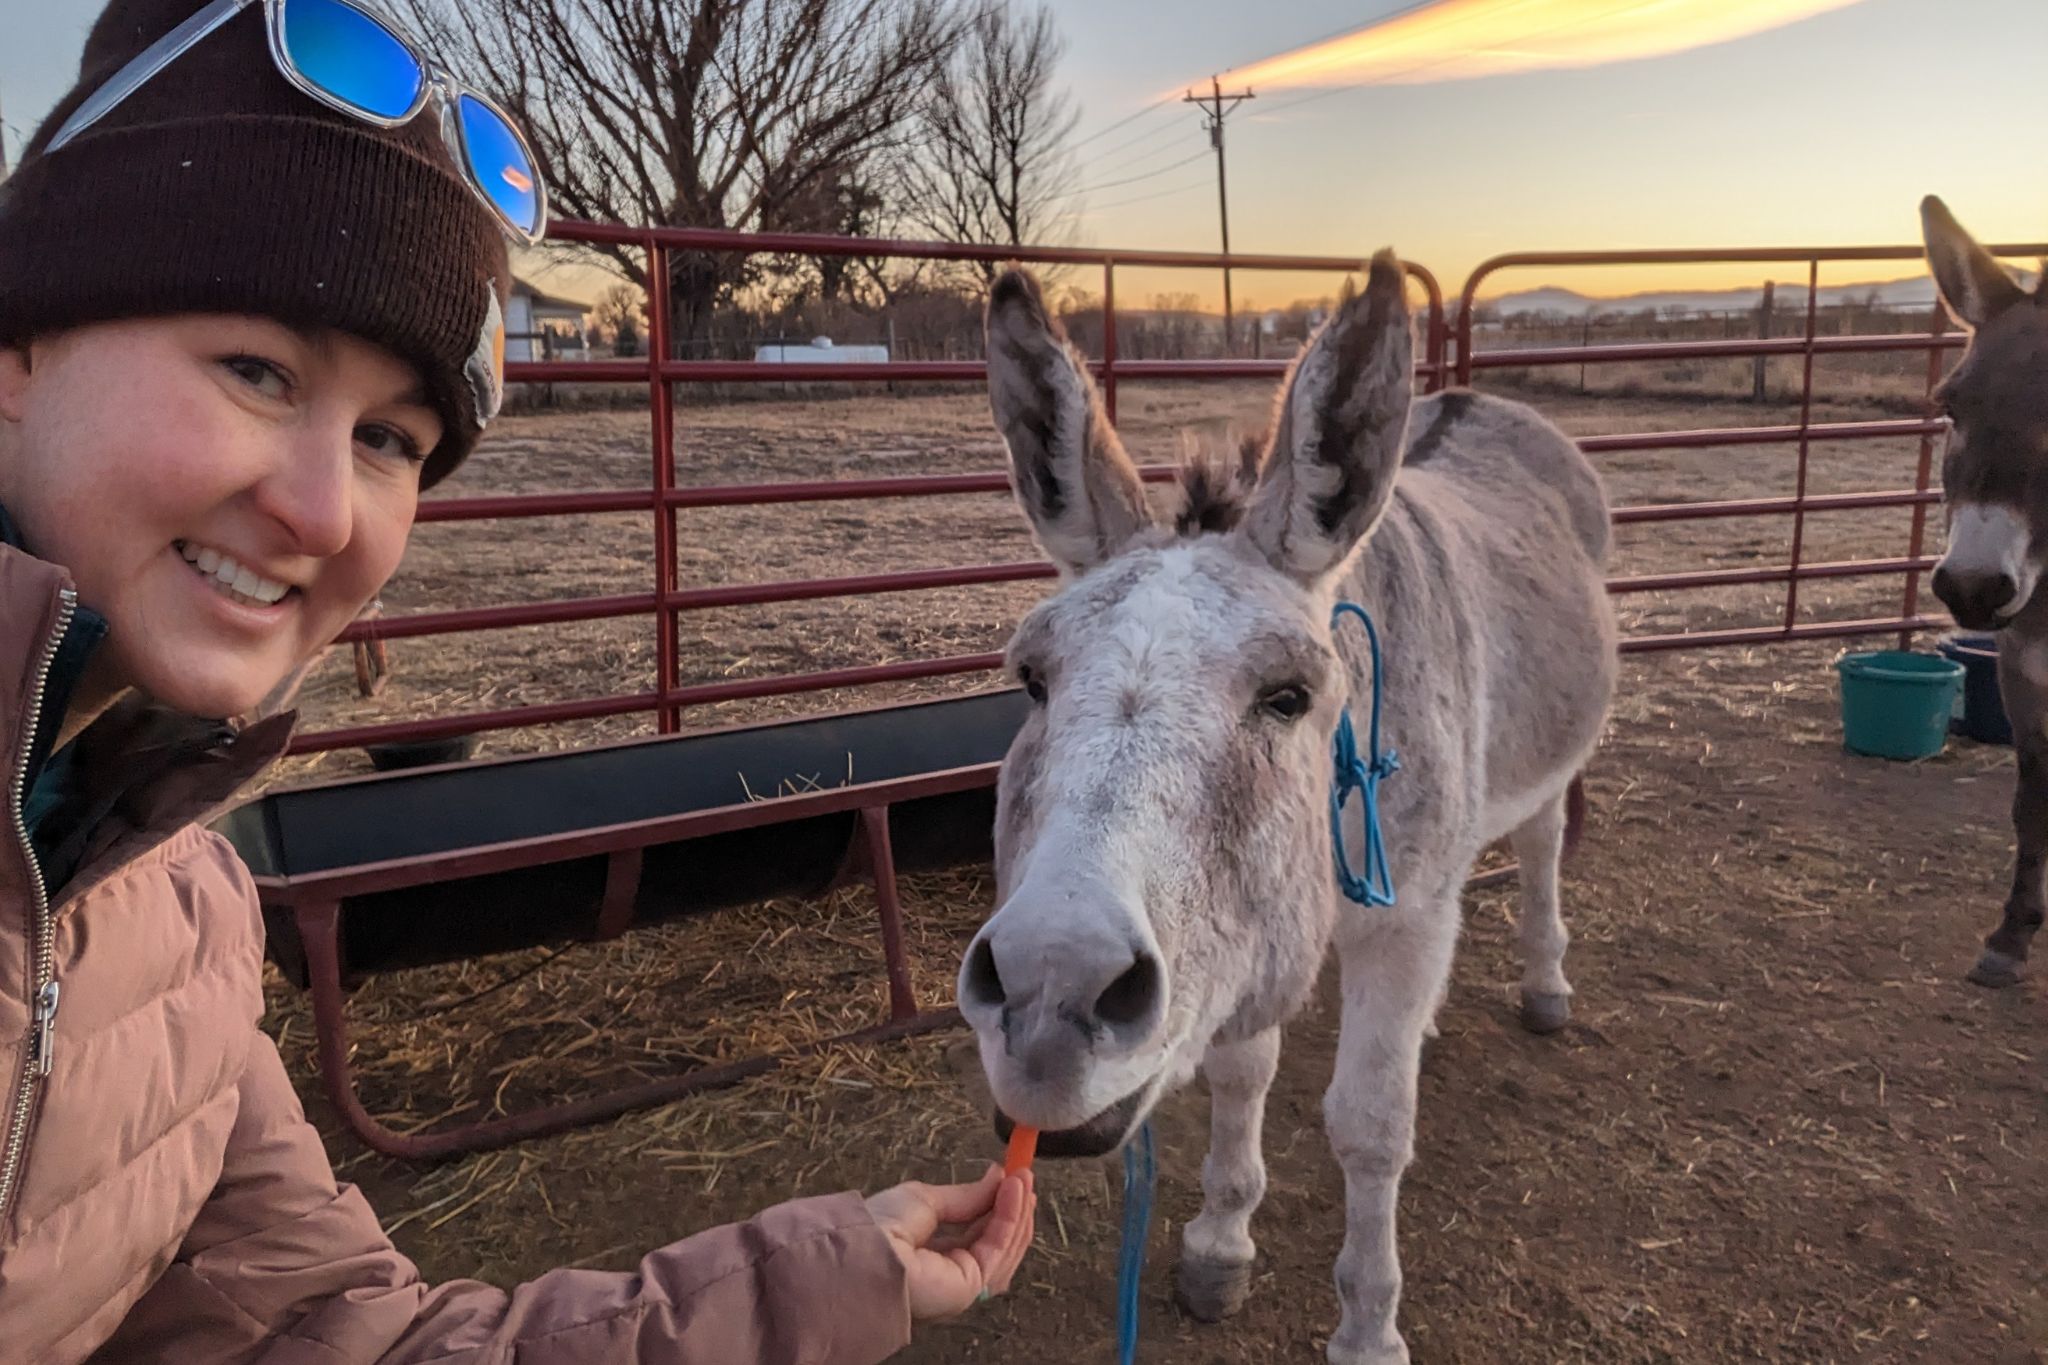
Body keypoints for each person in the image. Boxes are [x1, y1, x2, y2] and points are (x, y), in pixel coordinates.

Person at [0, 1, 1035, 1360]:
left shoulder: (174, 900)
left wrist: (830, 1276)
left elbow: (329, 1333)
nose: (321, 509)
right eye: (255, 371)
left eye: (388, 436)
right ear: (18, 354)